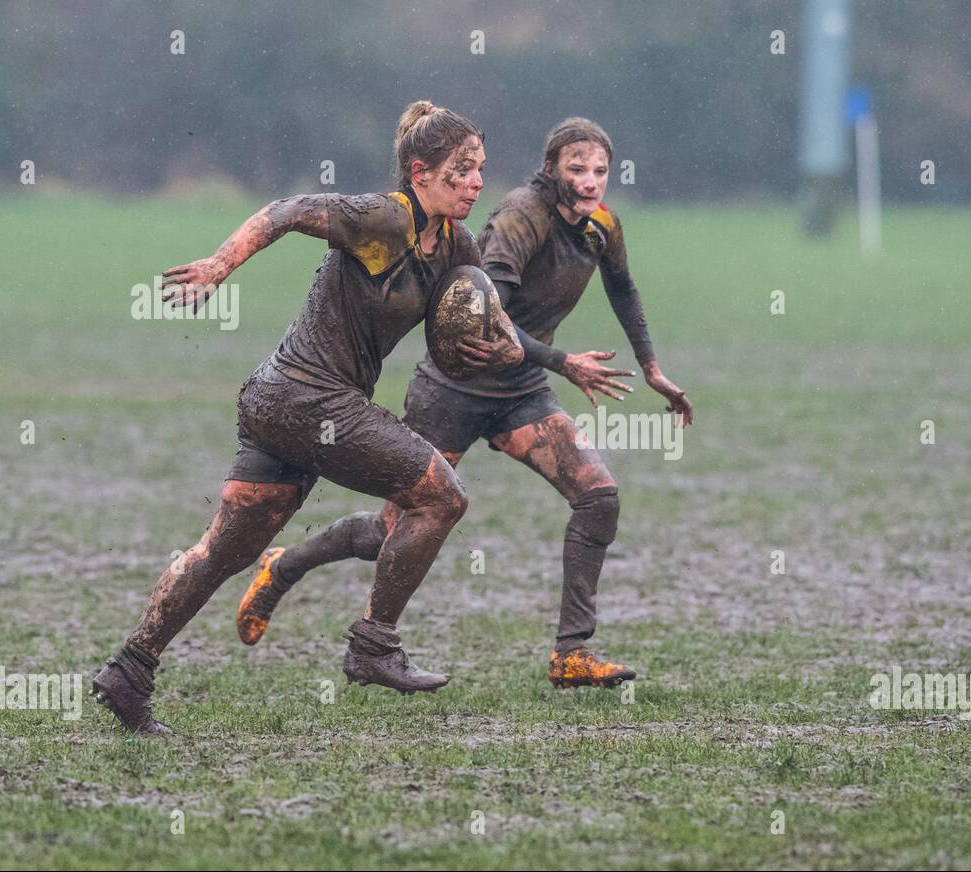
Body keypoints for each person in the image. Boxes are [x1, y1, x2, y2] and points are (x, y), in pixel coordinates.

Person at [92, 101, 520, 734]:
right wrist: (217, 266)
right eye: (462, 170)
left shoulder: (454, 244)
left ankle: (127, 674)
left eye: (480, 169)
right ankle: (373, 648)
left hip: (280, 402)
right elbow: (287, 211)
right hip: (307, 400)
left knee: (225, 551)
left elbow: (501, 329)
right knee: (442, 499)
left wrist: (502, 349)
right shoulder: (386, 218)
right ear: (420, 171)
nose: (476, 183)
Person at [237, 118, 692, 689]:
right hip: (452, 392)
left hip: (521, 392)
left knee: (597, 496)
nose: (591, 179)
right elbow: (478, 316)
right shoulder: (520, 219)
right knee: (393, 533)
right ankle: (285, 566)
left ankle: (571, 653)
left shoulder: (601, 225)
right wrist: (562, 361)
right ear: (551, 169)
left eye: (600, 169)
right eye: (577, 168)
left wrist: (651, 368)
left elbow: (622, 288)